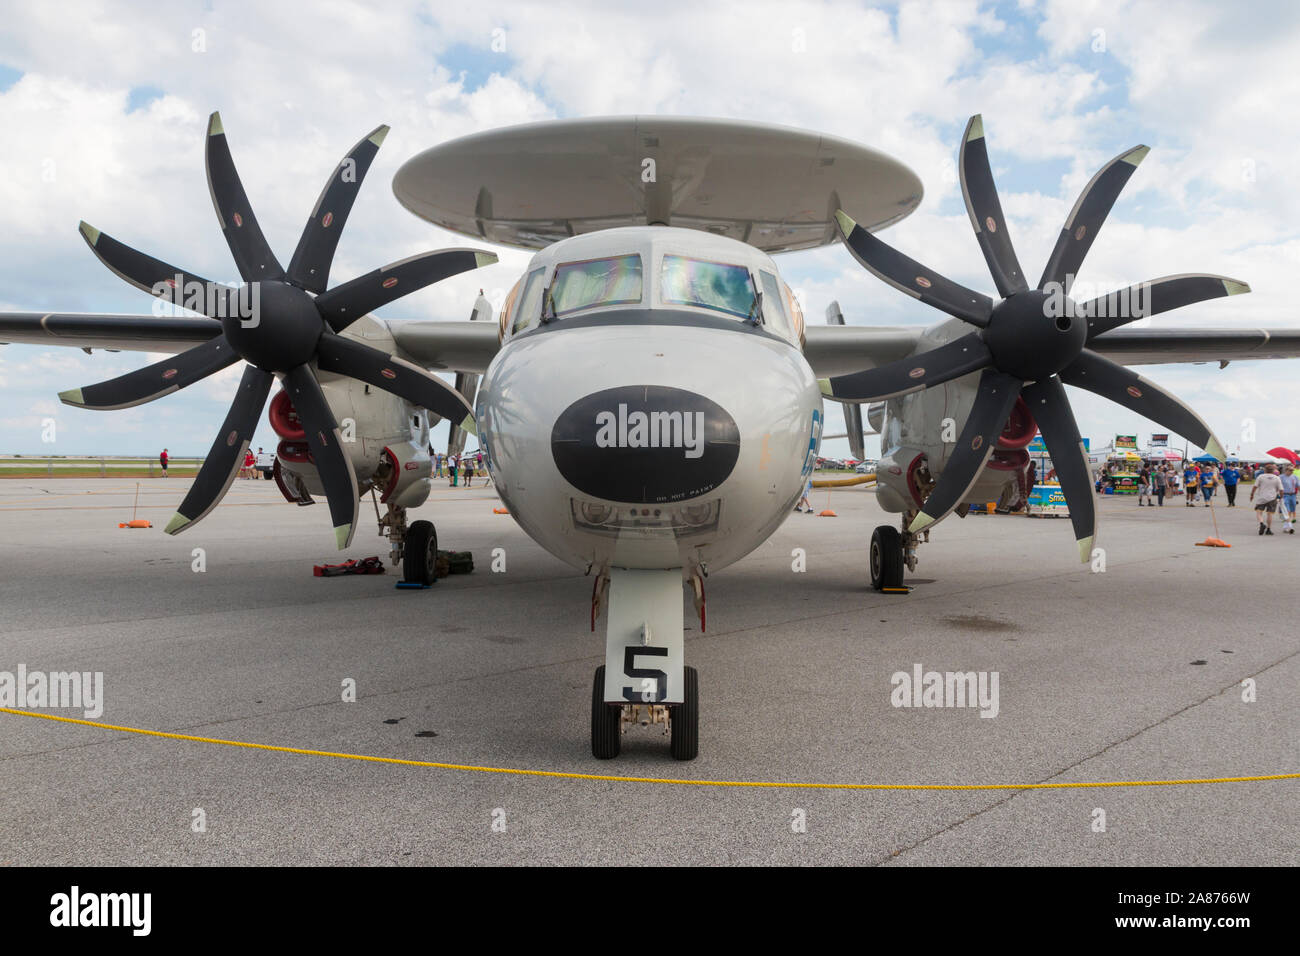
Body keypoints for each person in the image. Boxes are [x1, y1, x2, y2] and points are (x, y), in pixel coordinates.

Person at [1250, 463, 1283, 535]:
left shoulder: (1260, 477)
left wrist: (1252, 495)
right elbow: (1281, 489)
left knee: (1259, 512)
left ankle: (1261, 523)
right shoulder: (1277, 478)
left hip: (1262, 497)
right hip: (1272, 498)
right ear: (1273, 470)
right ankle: (1268, 529)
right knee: (1270, 514)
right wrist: (1281, 497)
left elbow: (1255, 487)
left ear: (1265, 470)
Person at [1280, 464, 1299, 534]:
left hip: (1293, 495)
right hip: (1285, 495)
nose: (1292, 471)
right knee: (1287, 510)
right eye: (1290, 470)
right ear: (1286, 470)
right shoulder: (1281, 477)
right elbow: (1277, 486)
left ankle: (1285, 527)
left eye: (1293, 470)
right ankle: (1290, 527)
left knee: (1291, 511)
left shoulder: (1295, 477)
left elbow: (1298, 486)